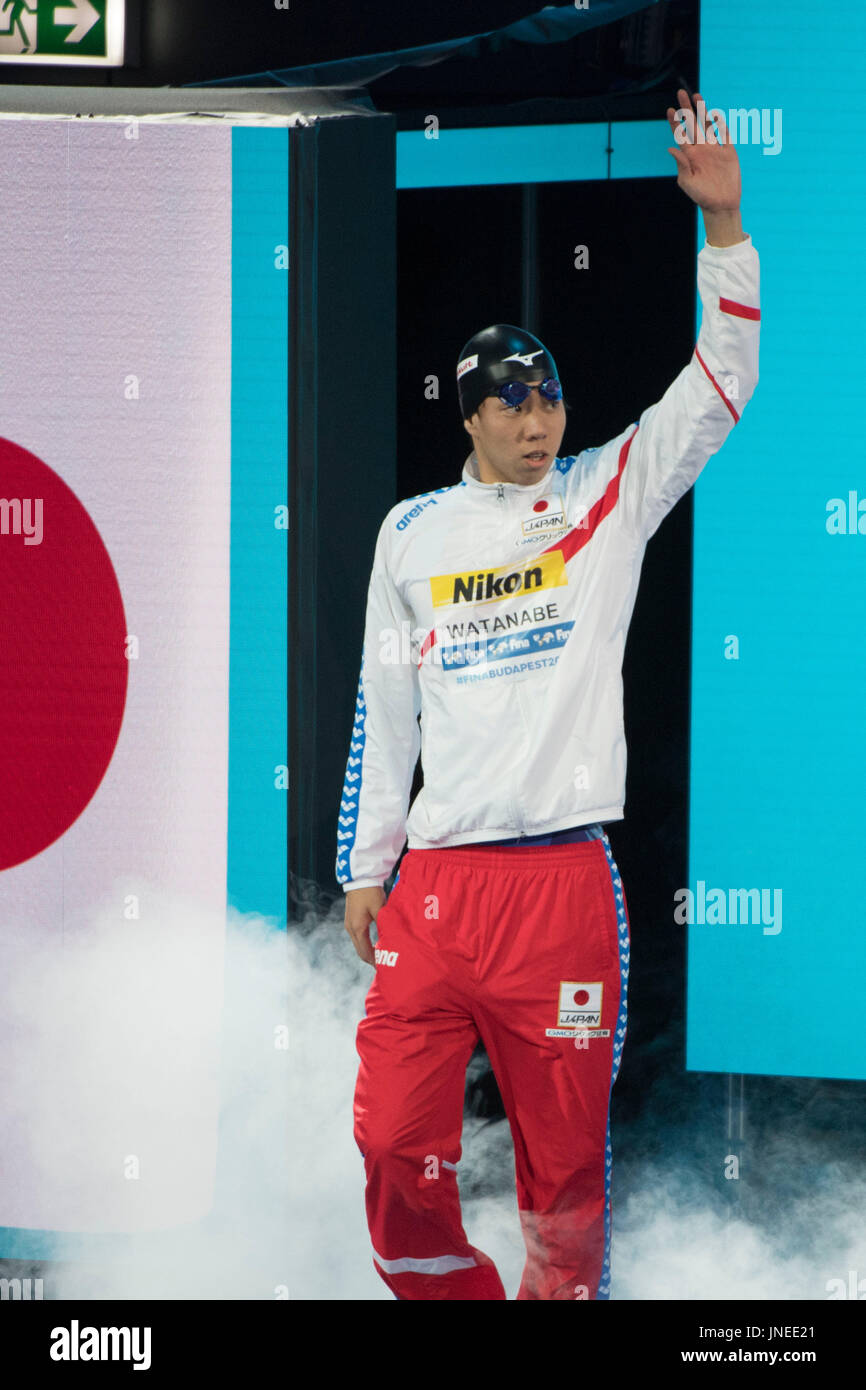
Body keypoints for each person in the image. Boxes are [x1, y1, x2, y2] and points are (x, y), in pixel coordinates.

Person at [337, 89, 760, 1300]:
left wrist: (720, 223)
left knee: (563, 1180)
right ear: (468, 413)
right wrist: (367, 866)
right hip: (435, 890)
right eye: (512, 399)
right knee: (388, 1144)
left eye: (549, 395)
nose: (538, 416)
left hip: (562, 886)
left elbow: (718, 383)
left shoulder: (605, 493)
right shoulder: (411, 532)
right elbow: (385, 710)